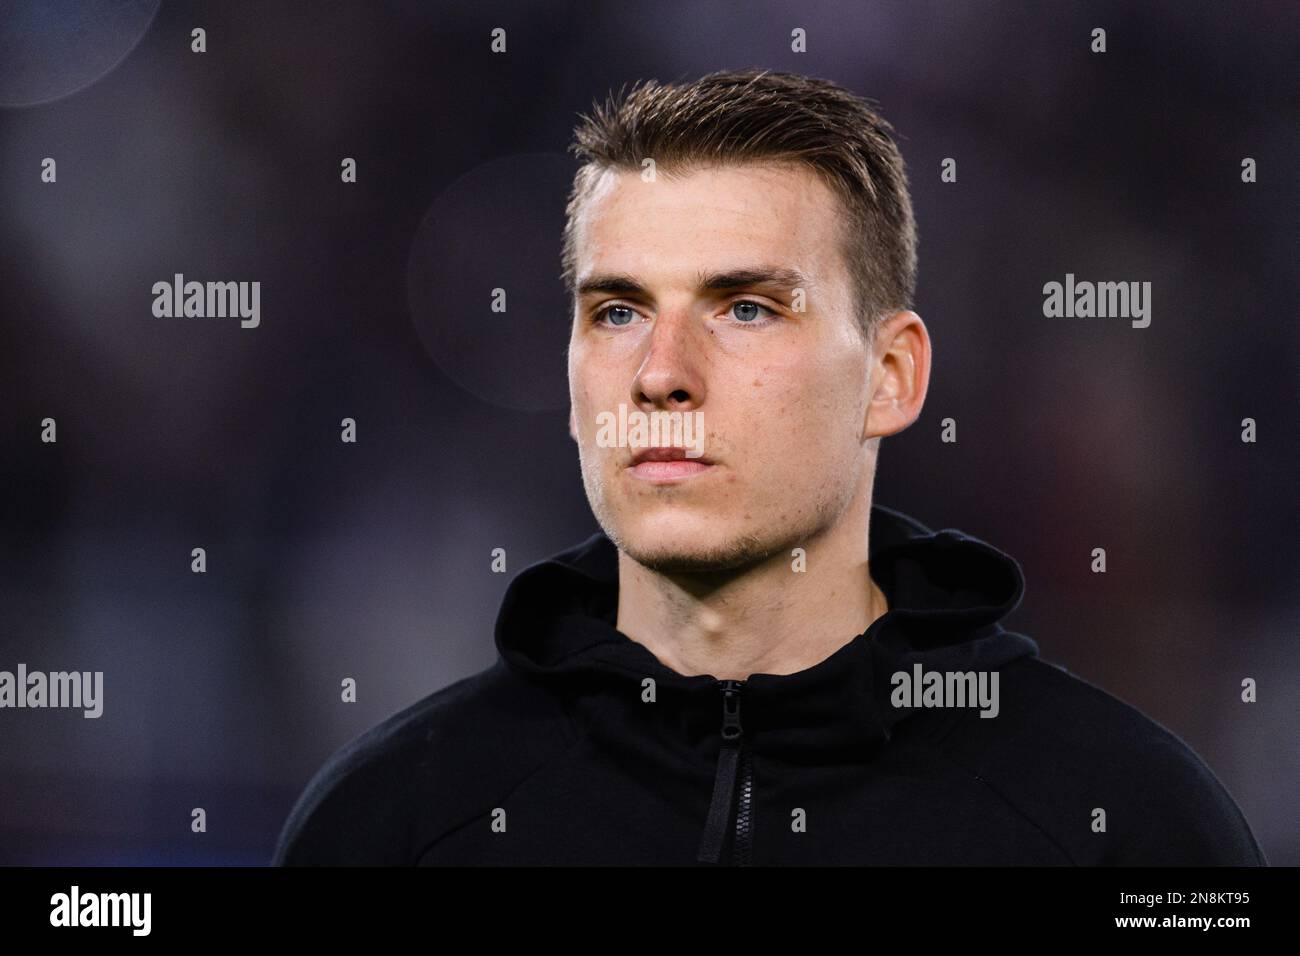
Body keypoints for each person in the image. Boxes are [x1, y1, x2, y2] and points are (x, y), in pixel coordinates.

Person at [272, 68, 1265, 866]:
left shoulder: (1127, 825)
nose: (661, 374)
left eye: (745, 307)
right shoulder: (390, 823)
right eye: (617, 311)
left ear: (889, 374)